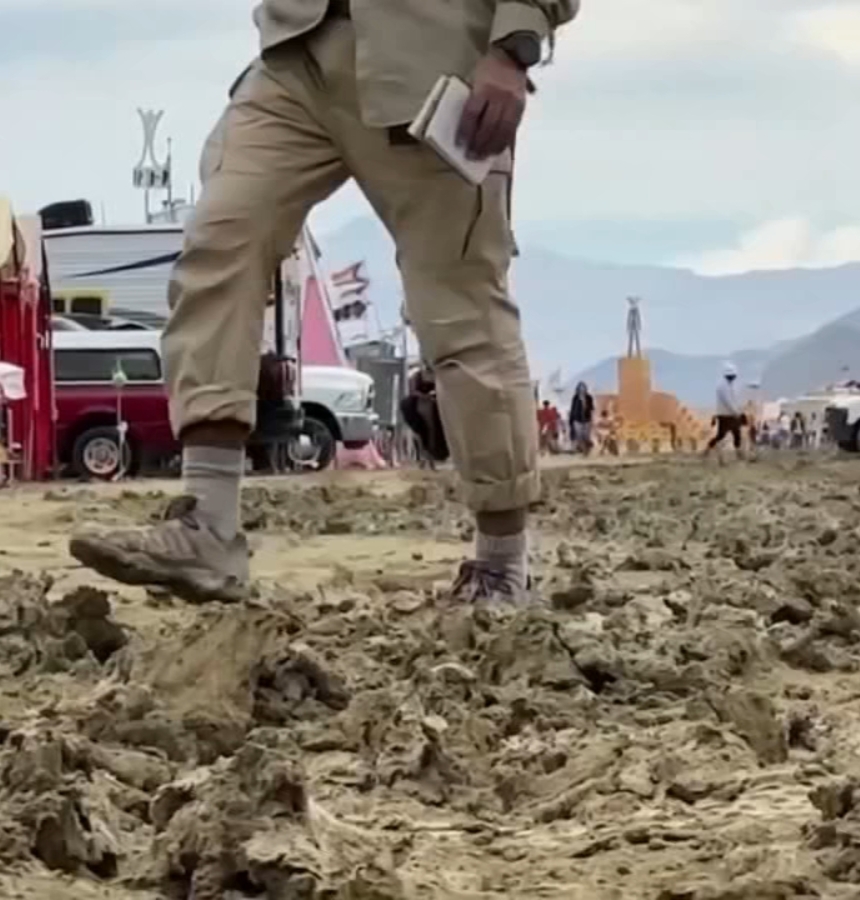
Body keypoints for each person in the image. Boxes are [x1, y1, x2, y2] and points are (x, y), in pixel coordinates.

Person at [65, 0, 581, 606]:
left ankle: (502, 563)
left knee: (459, 303)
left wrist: (514, 46)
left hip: (435, 66)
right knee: (220, 238)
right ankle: (207, 525)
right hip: (296, 54)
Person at [399, 363, 449, 465]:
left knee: (434, 430)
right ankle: (427, 454)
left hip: (434, 404)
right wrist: (426, 397)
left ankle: (434, 454)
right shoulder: (417, 376)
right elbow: (413, 391)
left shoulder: (438, 374)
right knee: (425, 431)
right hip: (421, 404)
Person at [705, 362, 744, 460]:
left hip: (732, 414)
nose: (733, 377)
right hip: (725, 415)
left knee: (737, 434)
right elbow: (728, 401)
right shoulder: (722, 386)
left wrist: (739, 411)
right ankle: (708, 449)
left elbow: (735, 400)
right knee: (721, 435)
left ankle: (739, 453)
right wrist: (736, 412)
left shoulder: (731, 385)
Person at [568, 381, 595, 455]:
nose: (582, 389)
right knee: (579, 436)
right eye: (580, 388)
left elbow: (591, 408)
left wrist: (585, 403)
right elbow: (573, 409)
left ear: (586, 388)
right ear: (578, 389)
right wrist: (571, 420)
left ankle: (587, 451)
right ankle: (583, 451)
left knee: (586, 436)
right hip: (577, 420)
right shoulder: (575, 397)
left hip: (587, 419)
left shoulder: (589, 397)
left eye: (583, 388)